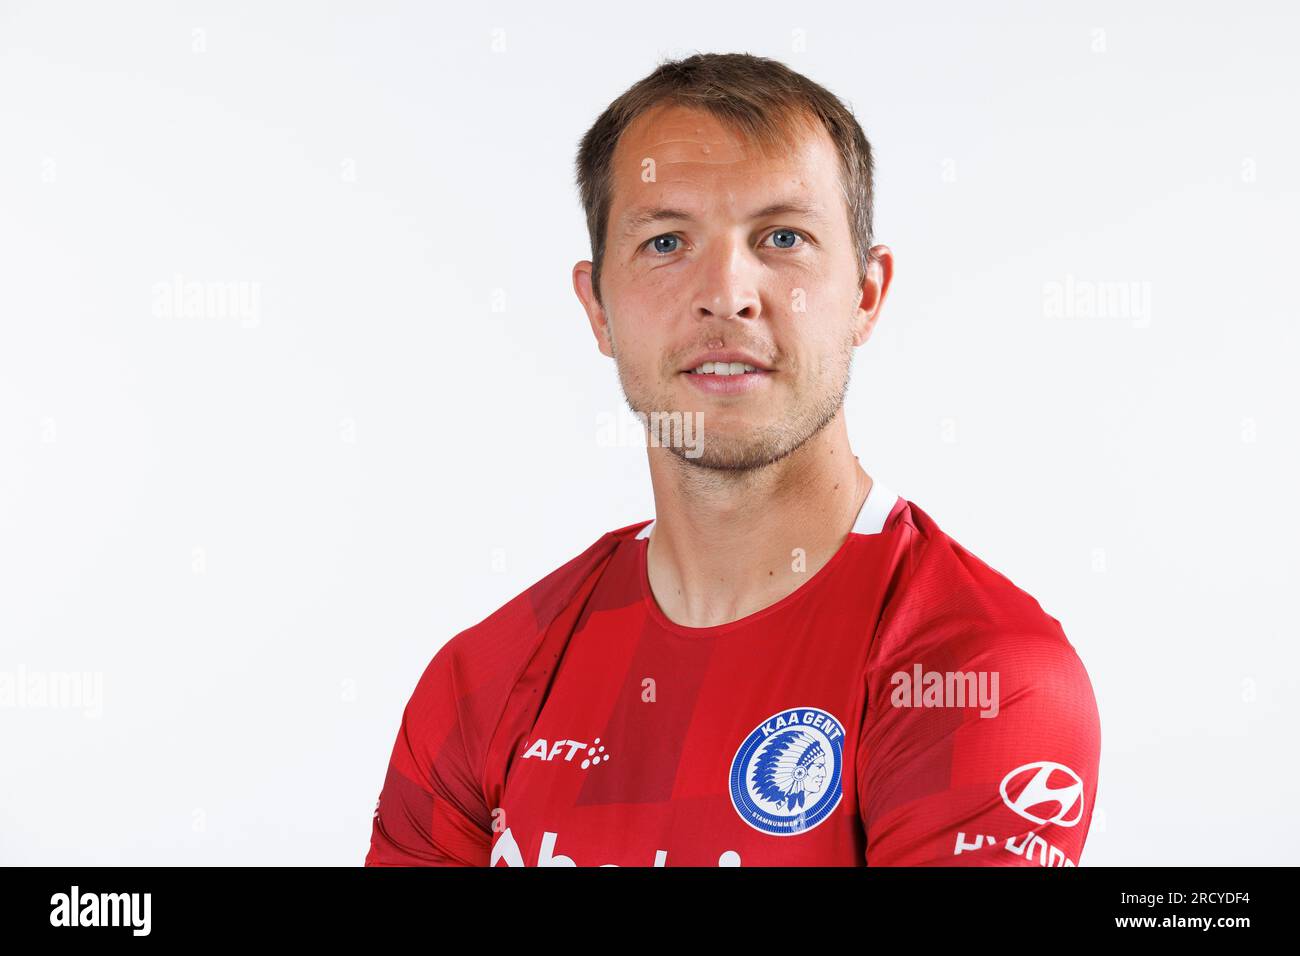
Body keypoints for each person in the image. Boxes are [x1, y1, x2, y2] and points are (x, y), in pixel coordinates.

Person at [365, 52, 1100, 867]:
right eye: (667, 241)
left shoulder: (979, 676)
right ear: (597, 309)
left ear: (866, 294)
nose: (727, 292)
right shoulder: (485, 681)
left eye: (783, 237)